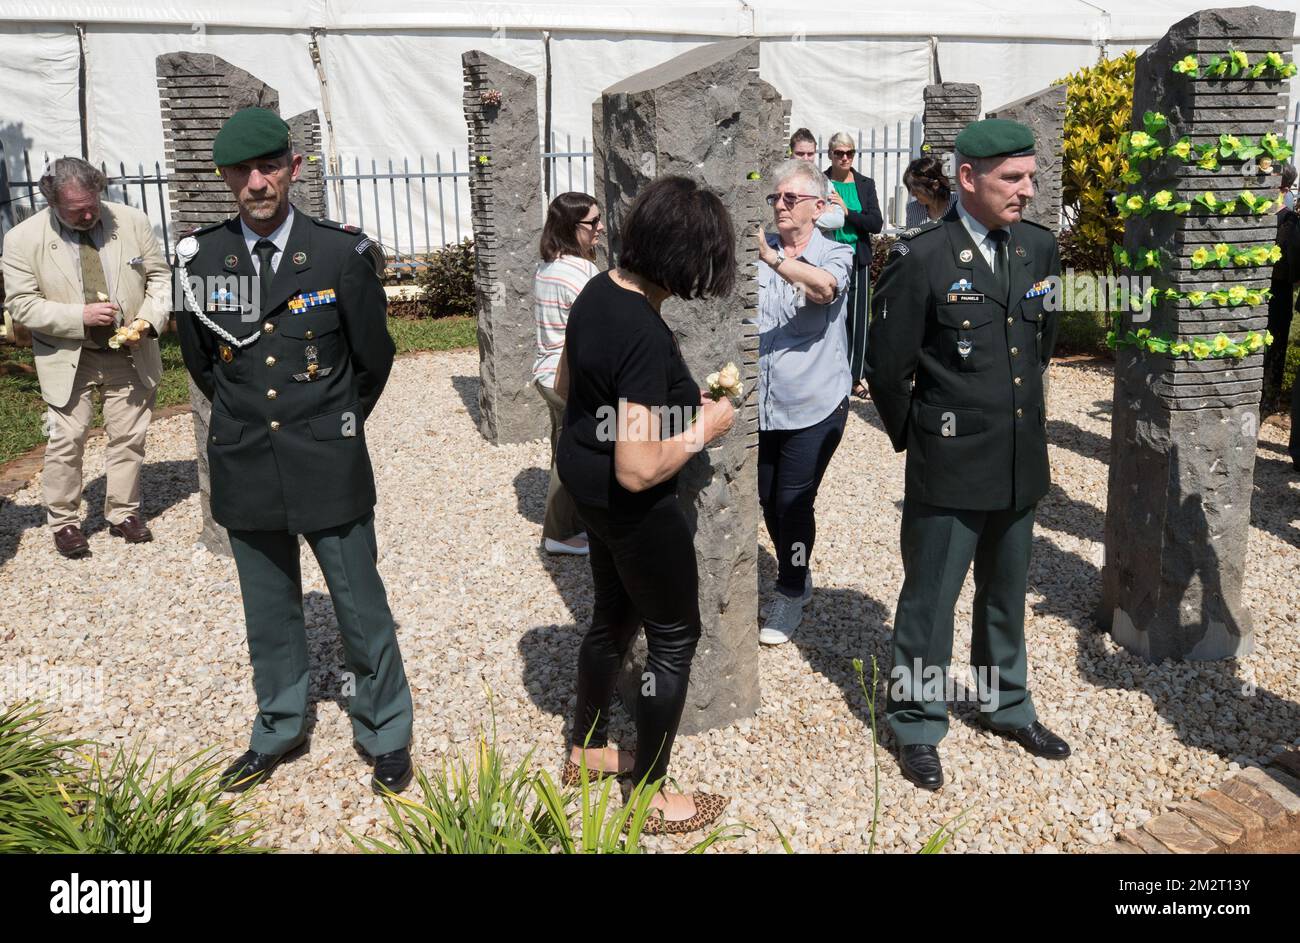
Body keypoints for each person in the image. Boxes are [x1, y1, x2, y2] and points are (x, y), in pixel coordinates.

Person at [173, 108, 414, 795]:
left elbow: (373, 358)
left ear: (294, 167)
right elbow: (204, 362)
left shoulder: (338, 254)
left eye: (269, 166)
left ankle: (386, 728)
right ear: (224, 177)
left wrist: (329, 420)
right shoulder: (203, 258)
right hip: (246, 456)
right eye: (242, 172)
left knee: (360, 604)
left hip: (326, 459)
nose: (257, 182)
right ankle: (278, 725)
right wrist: (257, 419)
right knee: (268, 609)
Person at [865, 118, 1070, 791]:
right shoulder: (921, 257)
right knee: (930, 602)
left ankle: (1004, 703)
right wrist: (922, 440)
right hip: (949, 463)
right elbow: (888, 371)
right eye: (1013, 178)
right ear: (967, 179)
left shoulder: (1038, 250)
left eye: (1031, 176)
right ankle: (917, 718)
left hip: (1018, 457)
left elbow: (1040, 345)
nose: (1028, 190)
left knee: (1005, 595)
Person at [556, 175, 736, 834]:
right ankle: (651, 795)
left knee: (613, 613)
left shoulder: (598, 291)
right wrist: (704, 429)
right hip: (630, 504)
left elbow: (565, 384)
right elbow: (636, 469)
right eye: (708, 259)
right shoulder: (639, 329)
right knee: (673, 635)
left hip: (584, 483)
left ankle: (585, 748)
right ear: (682, 257)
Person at [2, 157, 171, 558]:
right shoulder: (22, 239)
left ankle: (124, 512)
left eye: (94, 203)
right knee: (67, 438)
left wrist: (147, 321)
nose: (90, 213)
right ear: (52, 202)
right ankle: (63, 521)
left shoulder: (131, 221)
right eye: (77, 210)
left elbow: (160, 277)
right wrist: (78, 316)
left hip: (129, 350)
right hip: (67, 353)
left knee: (129, 436)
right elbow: (22, 304)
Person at [754, 159, 853, 645]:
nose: (781, 205)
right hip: (763, 405)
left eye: (791, 198)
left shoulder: (837, 253)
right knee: (767, 497)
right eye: (776, 197)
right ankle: (798, 566)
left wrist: (774, 262)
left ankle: (791, 589)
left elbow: (824, 289)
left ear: (818, 206)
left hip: (814, 404)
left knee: (793, 501)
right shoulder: (760, 251)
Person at [532, 192, 603, 555]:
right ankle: (559, 534)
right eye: (593, 222)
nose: (600, 227)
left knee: (562, 446)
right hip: (567, 378)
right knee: (572, 457)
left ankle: (572, 524)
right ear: (570, 227)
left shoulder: (547, 266)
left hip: (546, 374)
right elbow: (599, 327)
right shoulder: (581, 273)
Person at [823, 131, 883, 399]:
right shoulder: (820, 182)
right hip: (826, 258)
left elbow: (875, 223)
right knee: (828, 317)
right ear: (830, 155)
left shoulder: (865, 184)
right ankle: (827, 374)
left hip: (857, 257)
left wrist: (848, 212)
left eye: (849, 153)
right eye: (839, 153)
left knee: (858, 320)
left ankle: (854, 376)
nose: (845, 157)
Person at [1263, 163, 1298, 412]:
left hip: (1277, 295)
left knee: (1272, 350)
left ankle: (1266, 402)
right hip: (1266, 295)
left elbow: (1292, 269)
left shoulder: (1290, 222)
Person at [789, 128, 844, 231]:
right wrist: (823, 211)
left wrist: (803, 214)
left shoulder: (824, 181)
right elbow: (789, 217)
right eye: (800, 154)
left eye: (810, 154)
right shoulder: (784, 181)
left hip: (824, 243)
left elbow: (838, 220)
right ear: (791, 153)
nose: (805, 159)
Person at [903, 155, 958, 227]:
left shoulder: (959, 204)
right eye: (910, 189)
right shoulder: (912, 209)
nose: (913, 194)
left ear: (935, 185)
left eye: (916, 189)